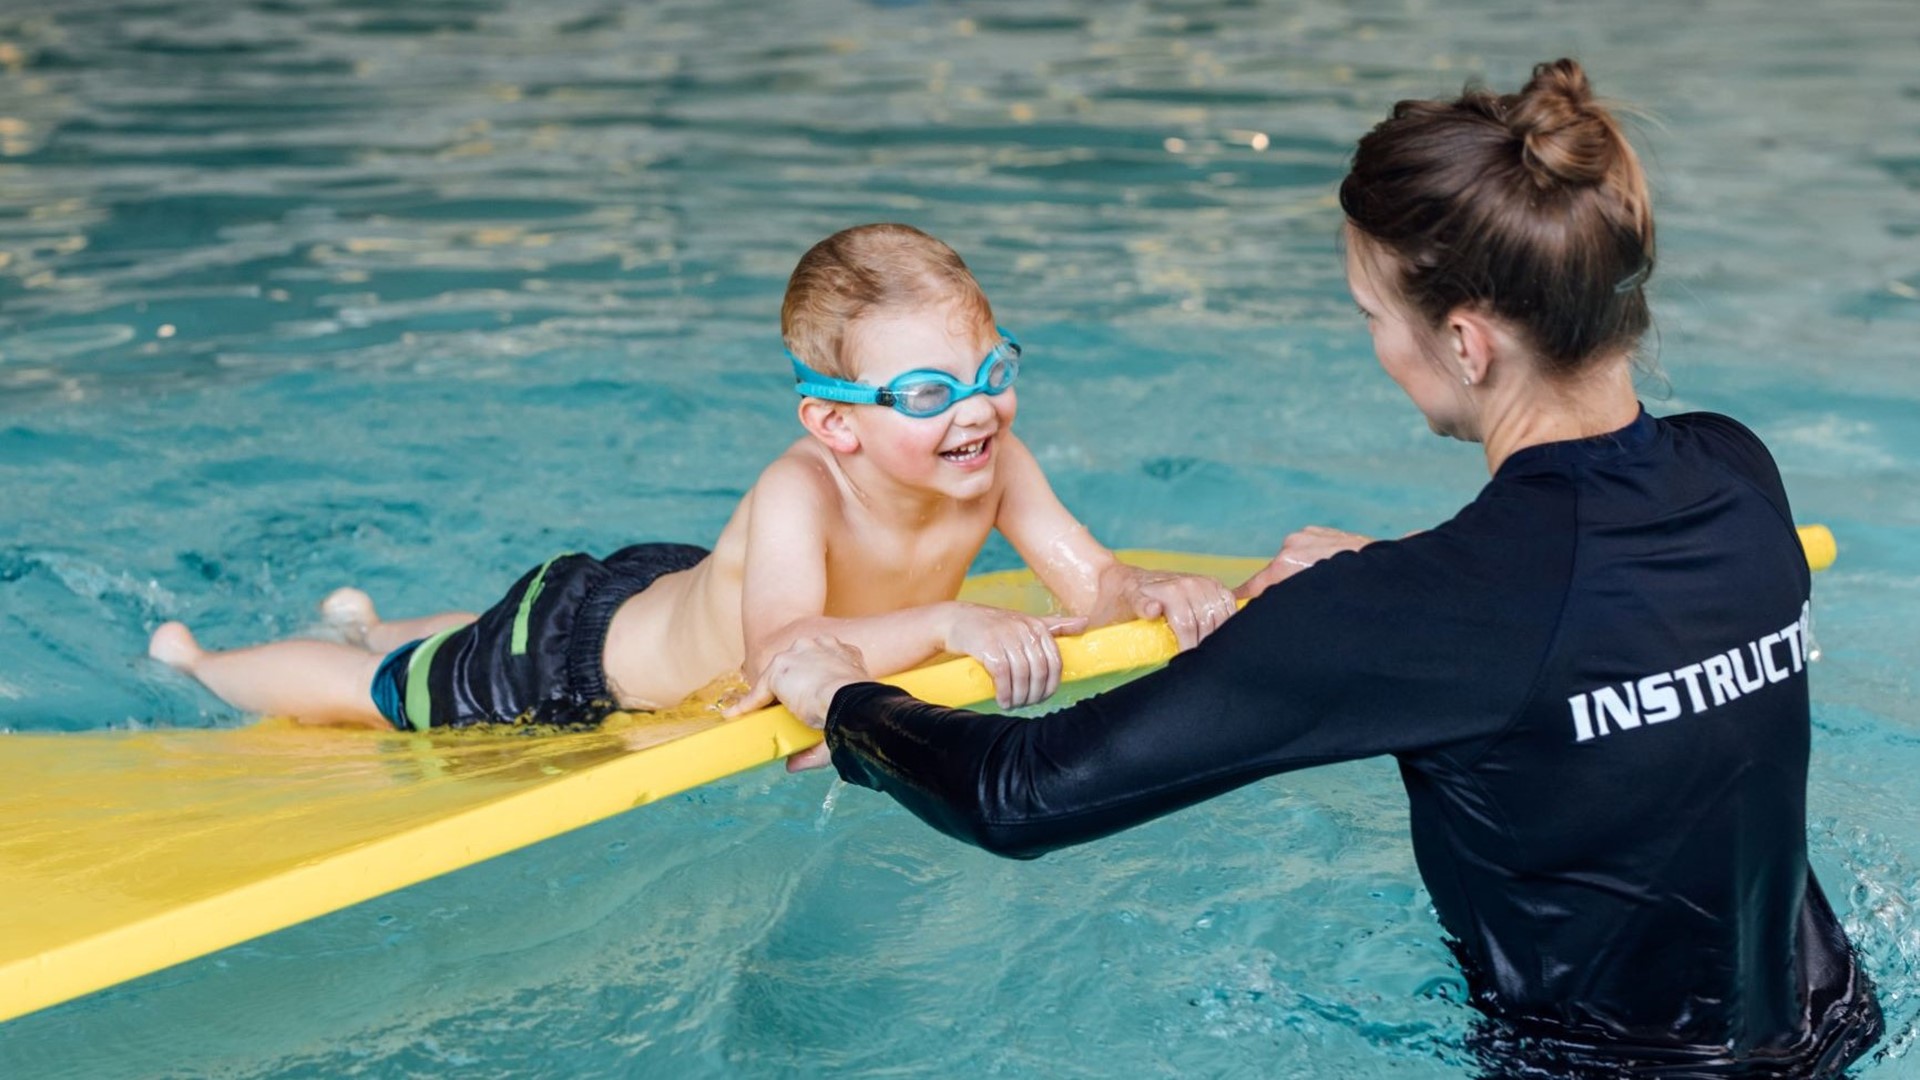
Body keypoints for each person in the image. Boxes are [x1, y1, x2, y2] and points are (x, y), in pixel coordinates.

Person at [740, 63, 1885, 1074]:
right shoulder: (1737, 470)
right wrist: (1396, 573)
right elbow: (1599, 618)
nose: (1376, 347)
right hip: (1830, 1026)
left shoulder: (1406, 615)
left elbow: (1019, 794)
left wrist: (841, 698)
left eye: (1371, 314)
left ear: (1466, 343)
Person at [149, 223, 1238, 769]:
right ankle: (211, 660)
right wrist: (955, 620)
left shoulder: (997, 458)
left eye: (992, 370)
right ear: (836, 423)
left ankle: (376, 616)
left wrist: (1147, 591)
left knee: (458, 632)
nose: (977, 410)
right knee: (385, 696)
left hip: (672, 586)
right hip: (576, 659)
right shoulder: (800, 488)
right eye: (926, 392)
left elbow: (1091, 580)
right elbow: (782, 653)